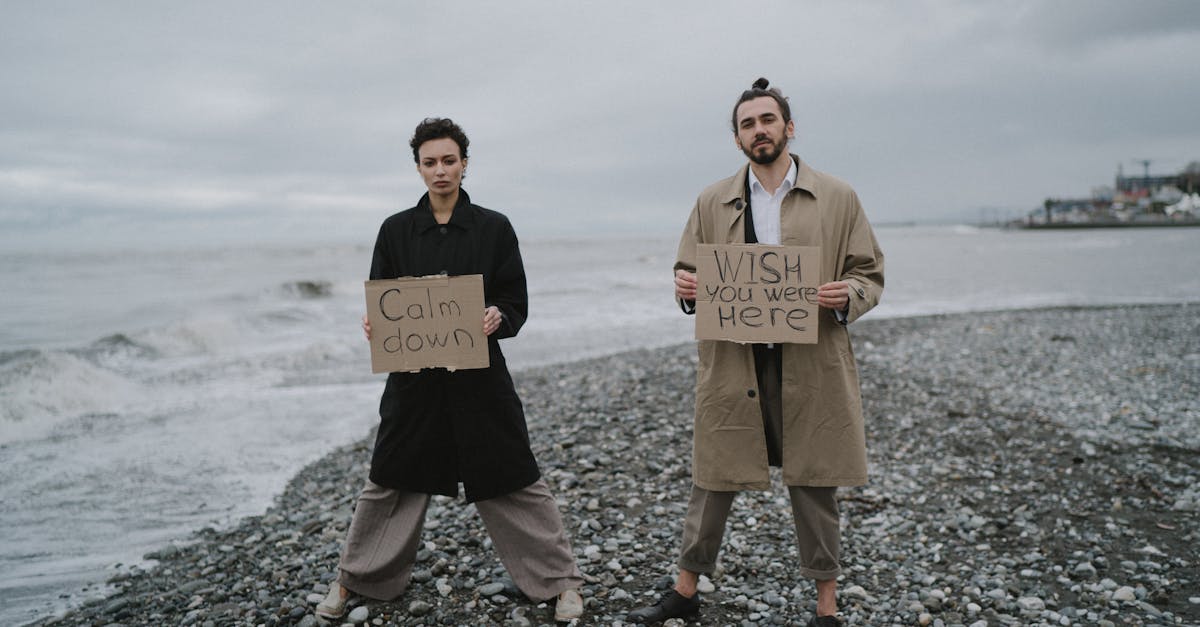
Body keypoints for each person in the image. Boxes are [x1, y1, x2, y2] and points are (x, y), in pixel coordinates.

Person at [627, 78, 884, 626]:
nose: (758, 130)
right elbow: (688, 273)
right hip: (733, 360)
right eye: (747, 124)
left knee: (815, 480)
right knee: (713, 476)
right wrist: (685, 287)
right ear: (737, 137)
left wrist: (849, 296)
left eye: (768, 120)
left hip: (811, 361)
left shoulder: (837, 196)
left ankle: (827, 607)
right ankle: (685, 591)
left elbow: (869, 274)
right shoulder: (711, 200)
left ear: (789, 128)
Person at [315, 117, 585, 623]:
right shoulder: (395, 230)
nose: (440, 170)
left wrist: (497, 316)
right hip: (414, 382)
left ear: (465, 163)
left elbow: (515, 299)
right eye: (429, 162)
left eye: (449, 160)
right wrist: (376, 327)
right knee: (390, 477)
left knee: (514, 475)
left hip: (480, 379)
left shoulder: (494, 227)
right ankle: (356, 579)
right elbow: (382, 299)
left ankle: (560, 582)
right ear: (417, 168)